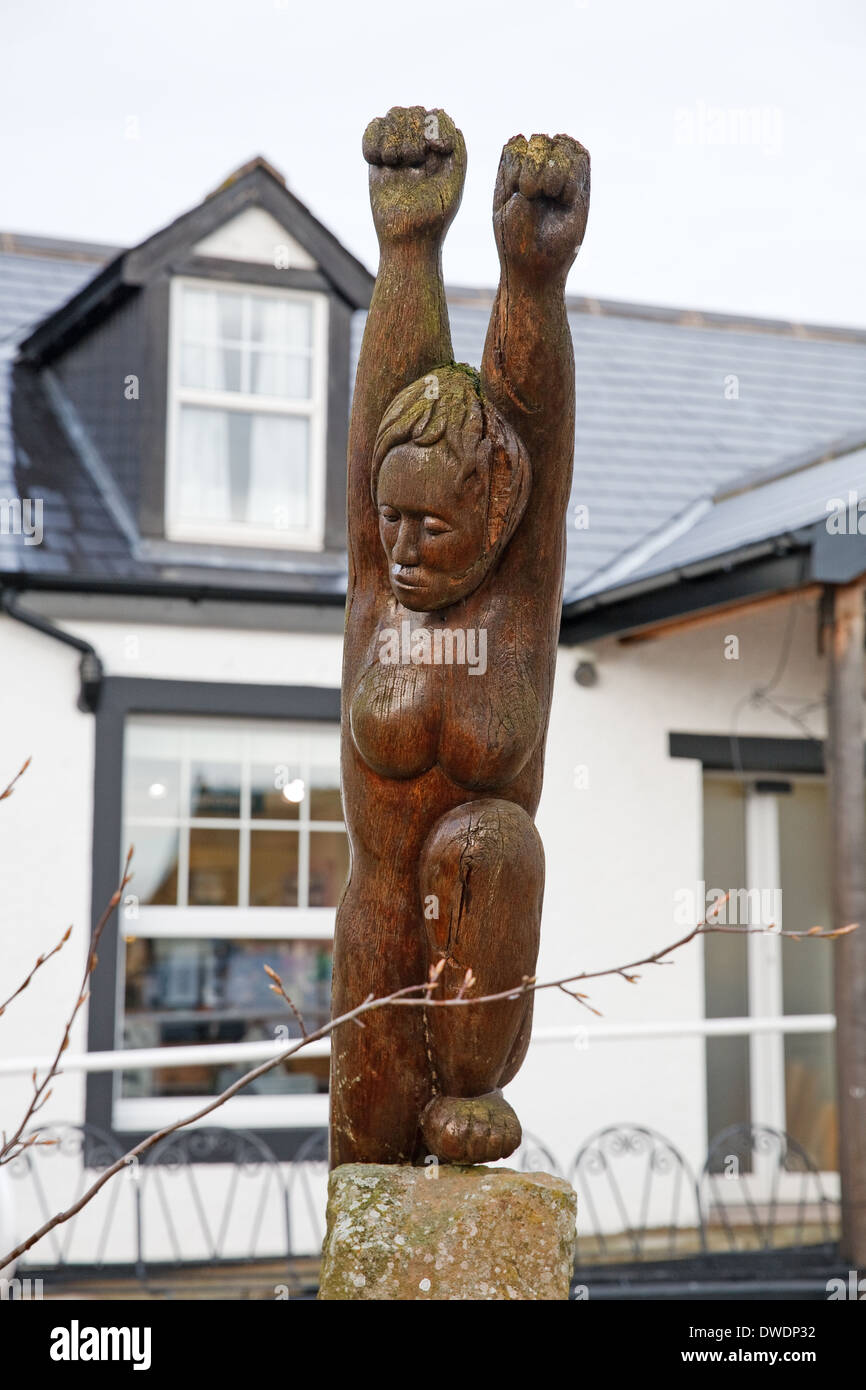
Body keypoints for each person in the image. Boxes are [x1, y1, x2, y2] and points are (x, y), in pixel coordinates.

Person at [331, 106, 590, 1166]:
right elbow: (391, 395)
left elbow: (527, 421)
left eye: (430, 528)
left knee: (492, 842)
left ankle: (478, 1082)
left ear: (491, 522)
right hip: (375, 919)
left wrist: (529, 277)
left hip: (476, 953)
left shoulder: (515, 591)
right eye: (388, 519)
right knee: (366, 1154)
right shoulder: (376, 591)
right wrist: (407, 245)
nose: (397, 548)